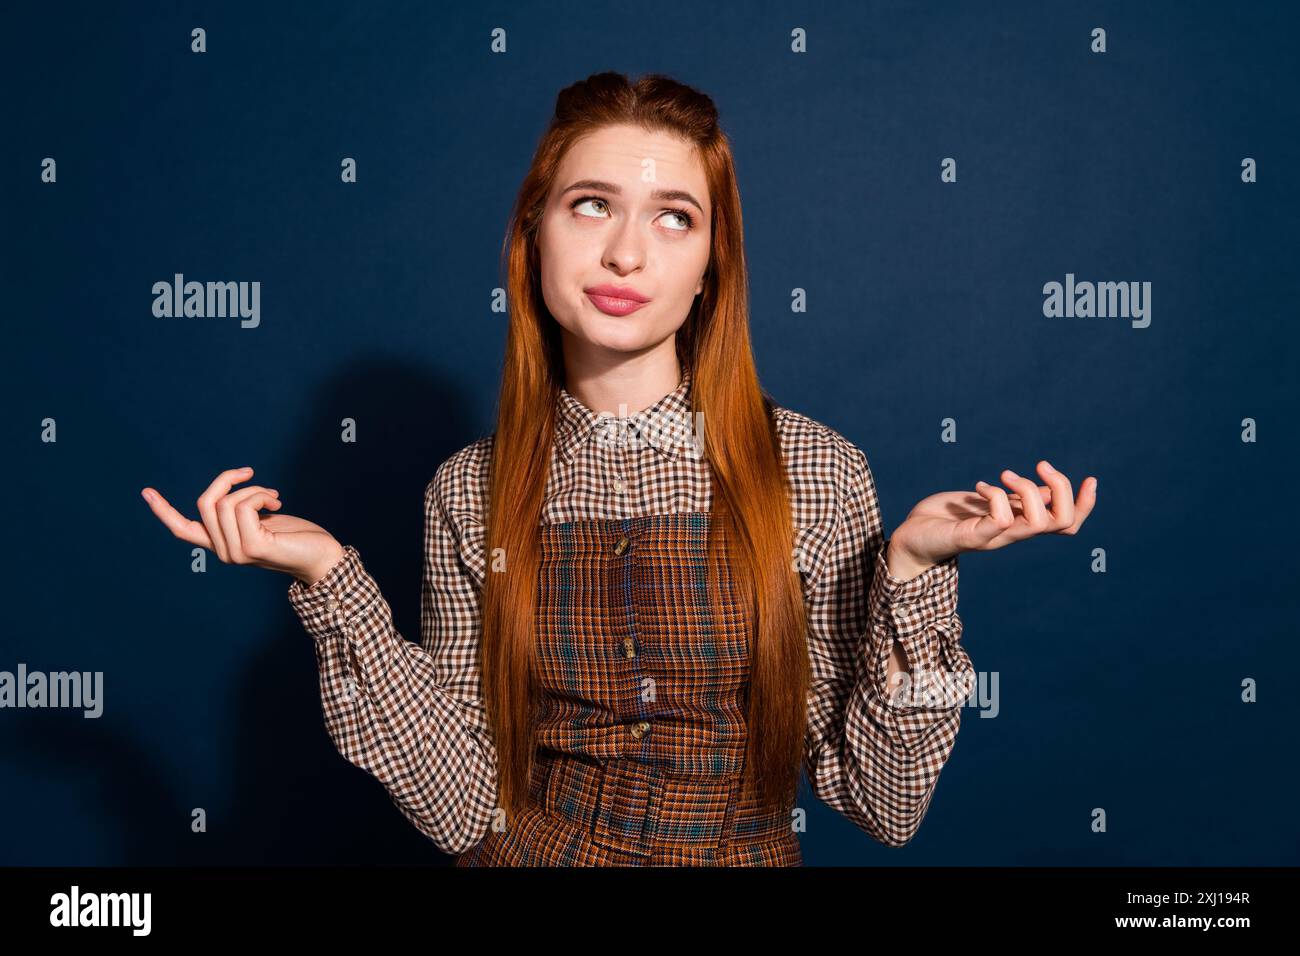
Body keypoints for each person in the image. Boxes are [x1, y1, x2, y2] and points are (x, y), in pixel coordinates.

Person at [141, 71, 1097, 866]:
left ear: (711, 265)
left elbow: (886, 801)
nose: (626, 252)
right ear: (533, 233)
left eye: (674, 218)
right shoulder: (468, 490)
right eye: (590, 204)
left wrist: (918, 577)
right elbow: (463, 804)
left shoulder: (814, 469)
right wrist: (331, 582)